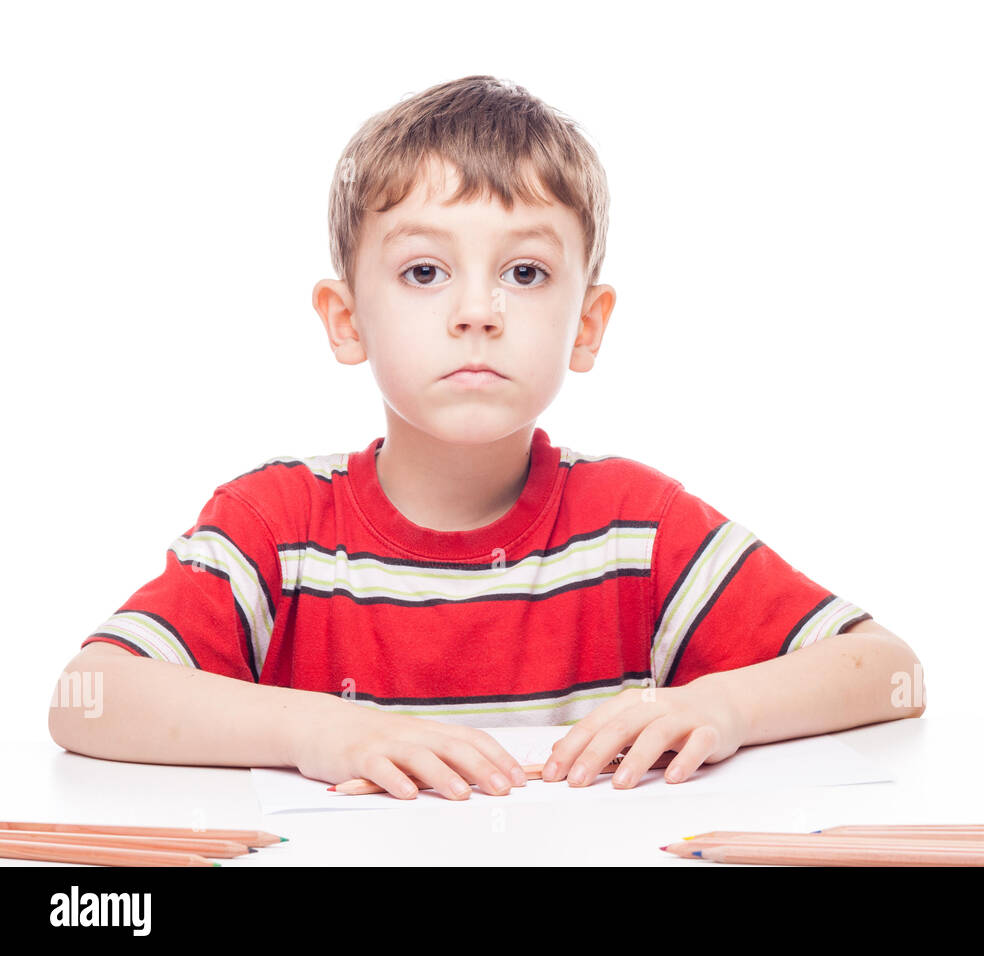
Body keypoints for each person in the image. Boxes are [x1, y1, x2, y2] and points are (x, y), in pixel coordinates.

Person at [49, 75, 924, 801]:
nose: (478, 312)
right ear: (346, 320)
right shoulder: (276, 524)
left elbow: (887, 669)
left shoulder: (636, 527)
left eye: (525, 272)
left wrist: (726, 706)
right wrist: (318, 729)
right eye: (424, 272)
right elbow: (88, 699)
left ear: (586, 325)